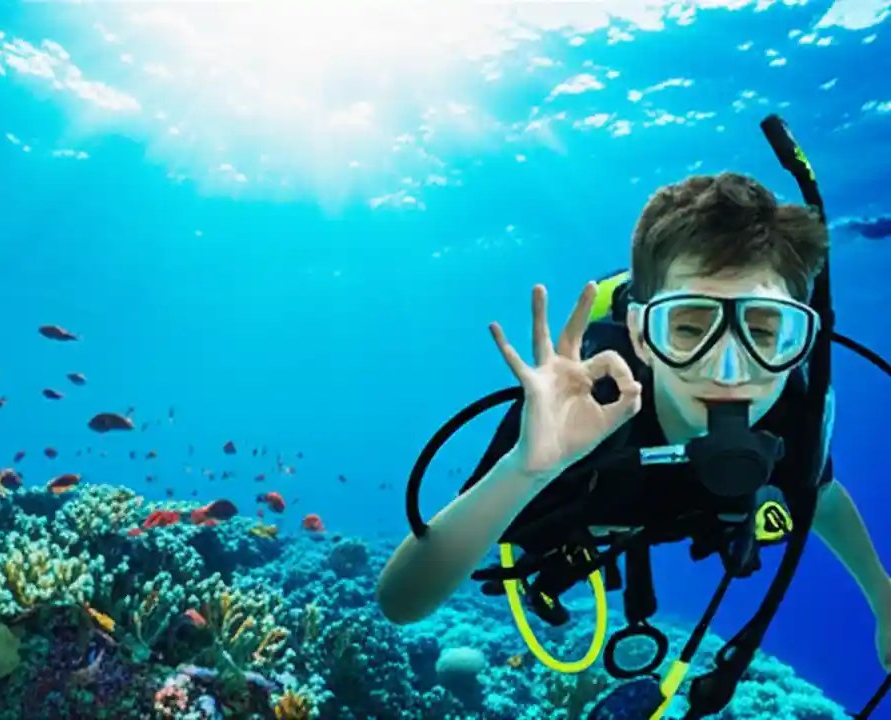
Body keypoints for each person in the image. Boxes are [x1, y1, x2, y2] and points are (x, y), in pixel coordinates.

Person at [376, 168, 891, 717]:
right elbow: (402, 601)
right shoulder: (582, 403)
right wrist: (525, 470)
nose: (728, 369)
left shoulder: (793, 408)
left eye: (765, 332)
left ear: (801, 338)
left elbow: (822, 498)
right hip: (590, 514)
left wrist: (883, 594)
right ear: (644, 336)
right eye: (689, 329)